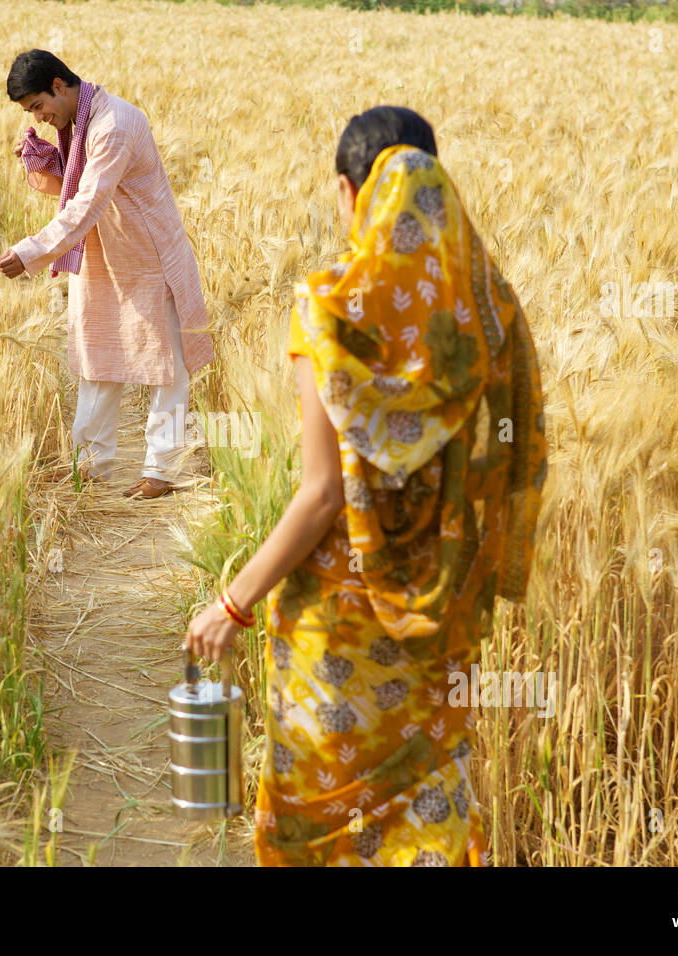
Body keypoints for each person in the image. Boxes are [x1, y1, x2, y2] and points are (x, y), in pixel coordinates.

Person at [184, 106, 548, 866]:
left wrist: (231, 604)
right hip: (435, 618)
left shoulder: (328, 313)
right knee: (430, 812)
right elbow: (497, 469)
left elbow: (321, 495)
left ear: (351, 193)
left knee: (323, 824)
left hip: (334, 633)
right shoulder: (488, 318)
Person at [0, 50, 214, 499]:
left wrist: (29, 252)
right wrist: (39, 160)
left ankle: (162, 471)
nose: (39, 117)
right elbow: (74, 187)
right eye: (31, 112)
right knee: (95, 358)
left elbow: (87, 202)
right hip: (104, 254)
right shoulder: (79, 121)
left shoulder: (113, 126)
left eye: (38, 106)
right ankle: (90, 465)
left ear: (58, 85)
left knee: (166, 366)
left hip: (149, 257)